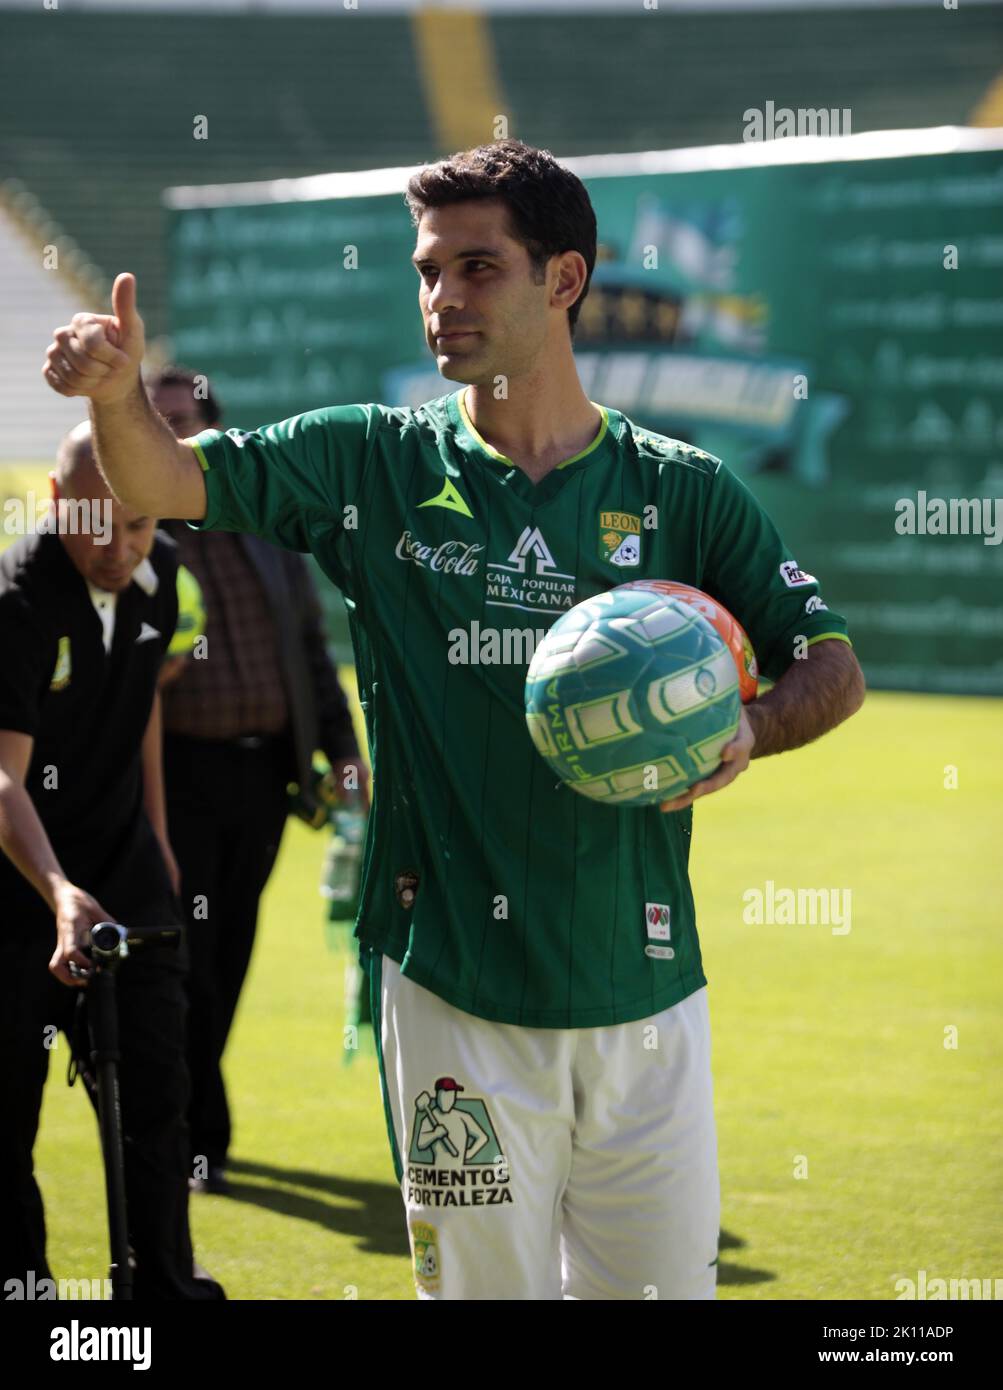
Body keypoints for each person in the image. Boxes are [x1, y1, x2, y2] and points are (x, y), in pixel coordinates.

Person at [41, 137, 865, 1301]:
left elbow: (828, 663)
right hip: (450, 990)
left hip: (644, 992)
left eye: (478, 269)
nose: (442, 299)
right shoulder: (366, 462)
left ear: (563, 280)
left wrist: (750, 730)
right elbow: (162, 483)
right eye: (427, 271)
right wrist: (119, 399)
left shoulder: (683, 489)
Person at [0, 423, 223, 1300]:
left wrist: (157, 838)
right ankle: (28, 1293)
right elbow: (4, 775)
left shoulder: (161, 575)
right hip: (18, 898)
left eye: (139, 523)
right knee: (8, 1117)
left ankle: (161, 1289)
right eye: (100, 522)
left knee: (158, 1109)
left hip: (126, 886)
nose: (119, 546)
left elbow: (138, 714)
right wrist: (57, 890)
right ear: (58, 502)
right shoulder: (16, 601)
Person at [145, 364, 364, 1196]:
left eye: (181, 419)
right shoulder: (139, 538)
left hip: (264, 778)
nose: (168, 435)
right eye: (153, 421)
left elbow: (311, 651)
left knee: (229, 954)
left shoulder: (265, 532)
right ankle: (200, 1133)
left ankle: (195, 1119)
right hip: (178, 778)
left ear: (212, 430)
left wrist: (342, 750)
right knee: (187, 960)